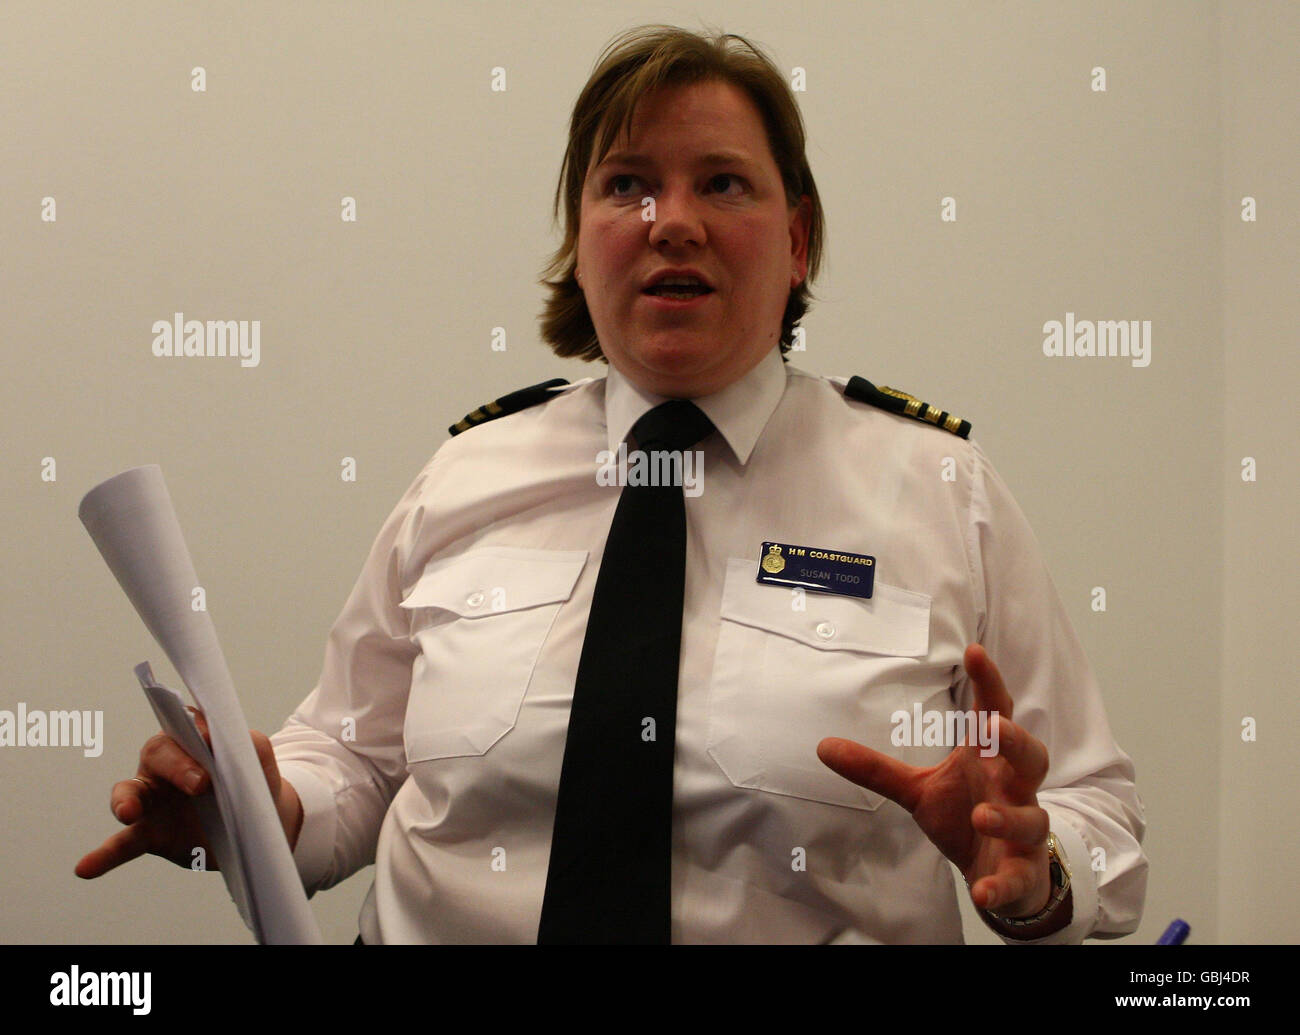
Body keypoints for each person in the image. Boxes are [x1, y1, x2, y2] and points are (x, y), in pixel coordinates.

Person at [77, 24, 1147, 943]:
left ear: (799, 241)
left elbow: (1094, 817)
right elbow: (355, 759)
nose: (667, 221)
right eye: (625, 184)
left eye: (721, 183)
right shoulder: (466, 474)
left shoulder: (939, 491)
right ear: (580, 243)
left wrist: (1034, 869)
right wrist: (264, 807)